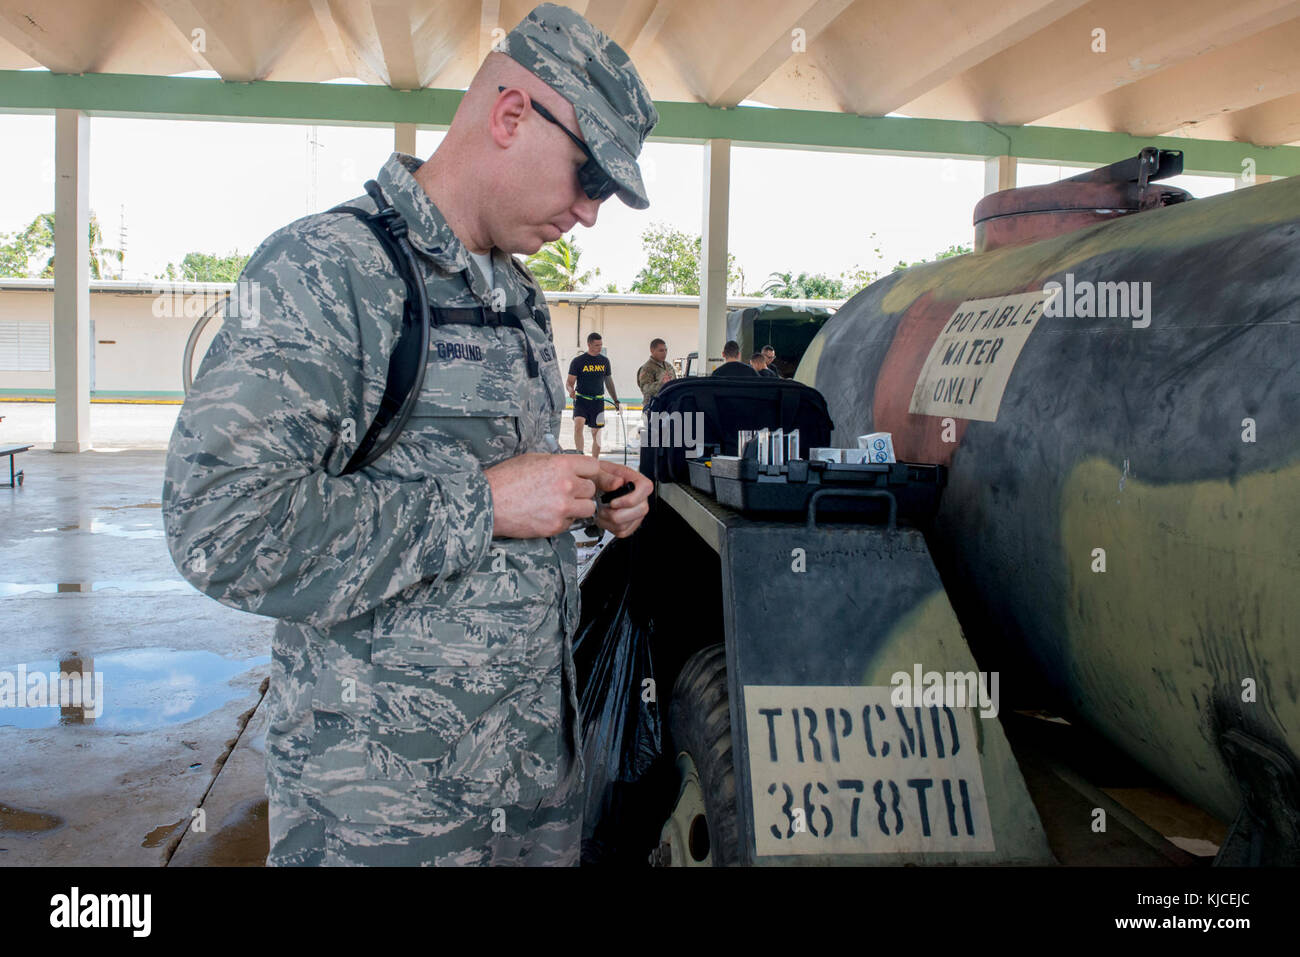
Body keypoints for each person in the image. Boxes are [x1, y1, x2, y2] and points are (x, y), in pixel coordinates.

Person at [162, 3, 657, 867]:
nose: (589, 214)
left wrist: (580, 499)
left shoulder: (519, 297)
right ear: (511, 116)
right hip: (387, 822)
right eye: (590, 178)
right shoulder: (328, 272)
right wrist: (486, 503)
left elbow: (505, 502)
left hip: (532, 795)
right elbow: (220, 525)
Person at [567, 331, 619, 457]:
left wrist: (616, 400)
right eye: (596, 345)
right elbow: (569, 382)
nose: (599, 348)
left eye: (601, 345)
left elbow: (608, 381)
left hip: (598, 402)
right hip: (582, 400)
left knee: (597, 433)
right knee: (578, 426)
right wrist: (571, 390)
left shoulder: (604, 361)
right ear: (589, 345)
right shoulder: (578, 361)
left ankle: (594, 461)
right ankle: (580, 455)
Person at [636, 337, 674, 411]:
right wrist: (662, 384)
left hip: (668, 406)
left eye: (666, 350)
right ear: (652, 351)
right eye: (661, 350)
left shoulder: (668, 366)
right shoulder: (647, 368)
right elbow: (645, 389)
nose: (664, 353)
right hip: (652, 407)